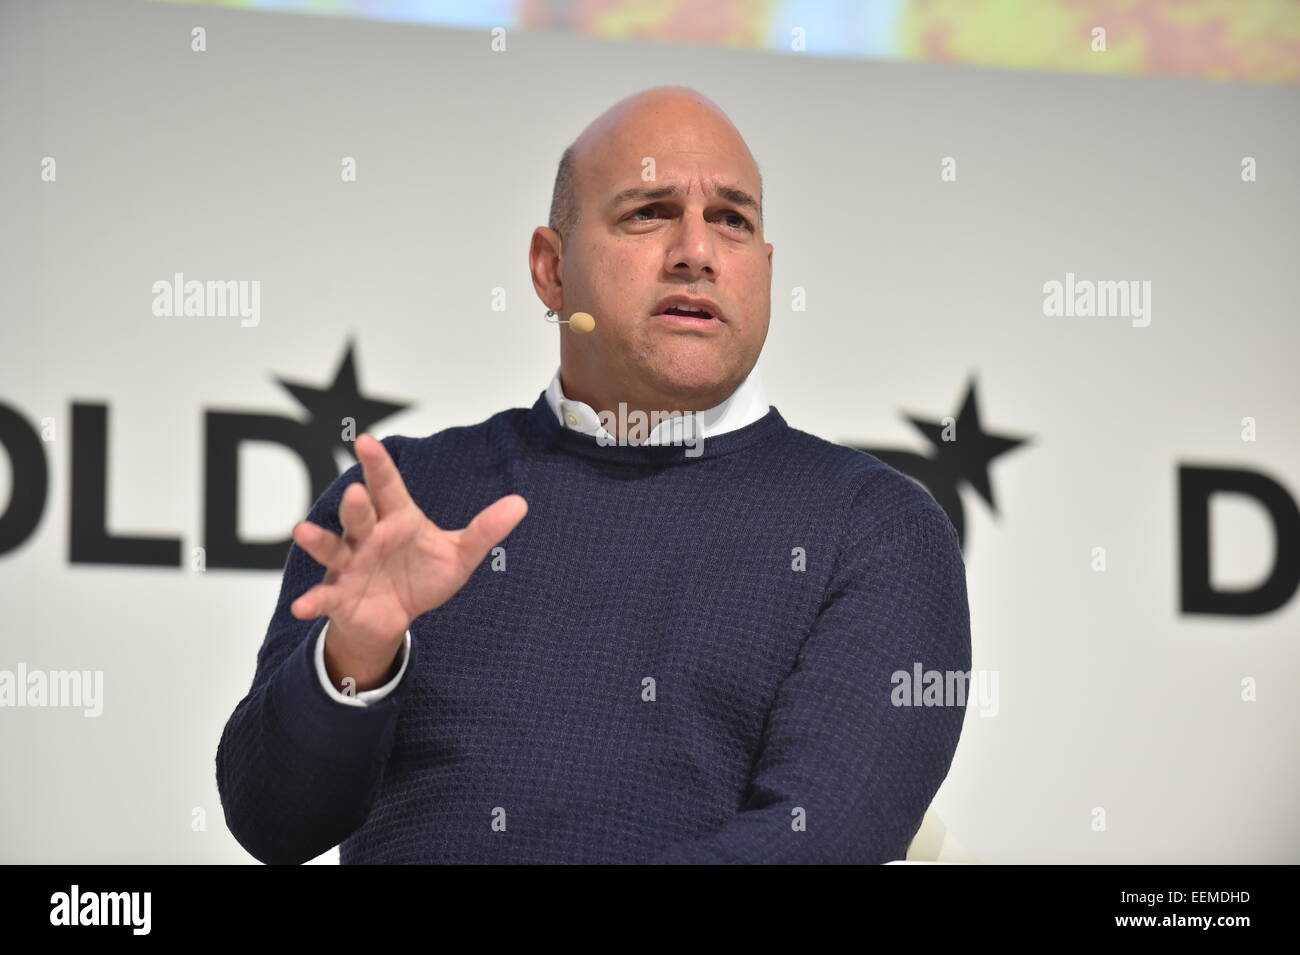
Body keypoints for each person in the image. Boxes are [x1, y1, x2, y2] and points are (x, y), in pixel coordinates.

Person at [215, 86, 971, 864]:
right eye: (649, 212)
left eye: (732, 221)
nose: (697, 251)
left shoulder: (875, 526)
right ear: (551, 270)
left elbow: (822, 837)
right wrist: (355, 659)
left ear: (766, 270)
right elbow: (271, 820)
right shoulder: (403, 494)